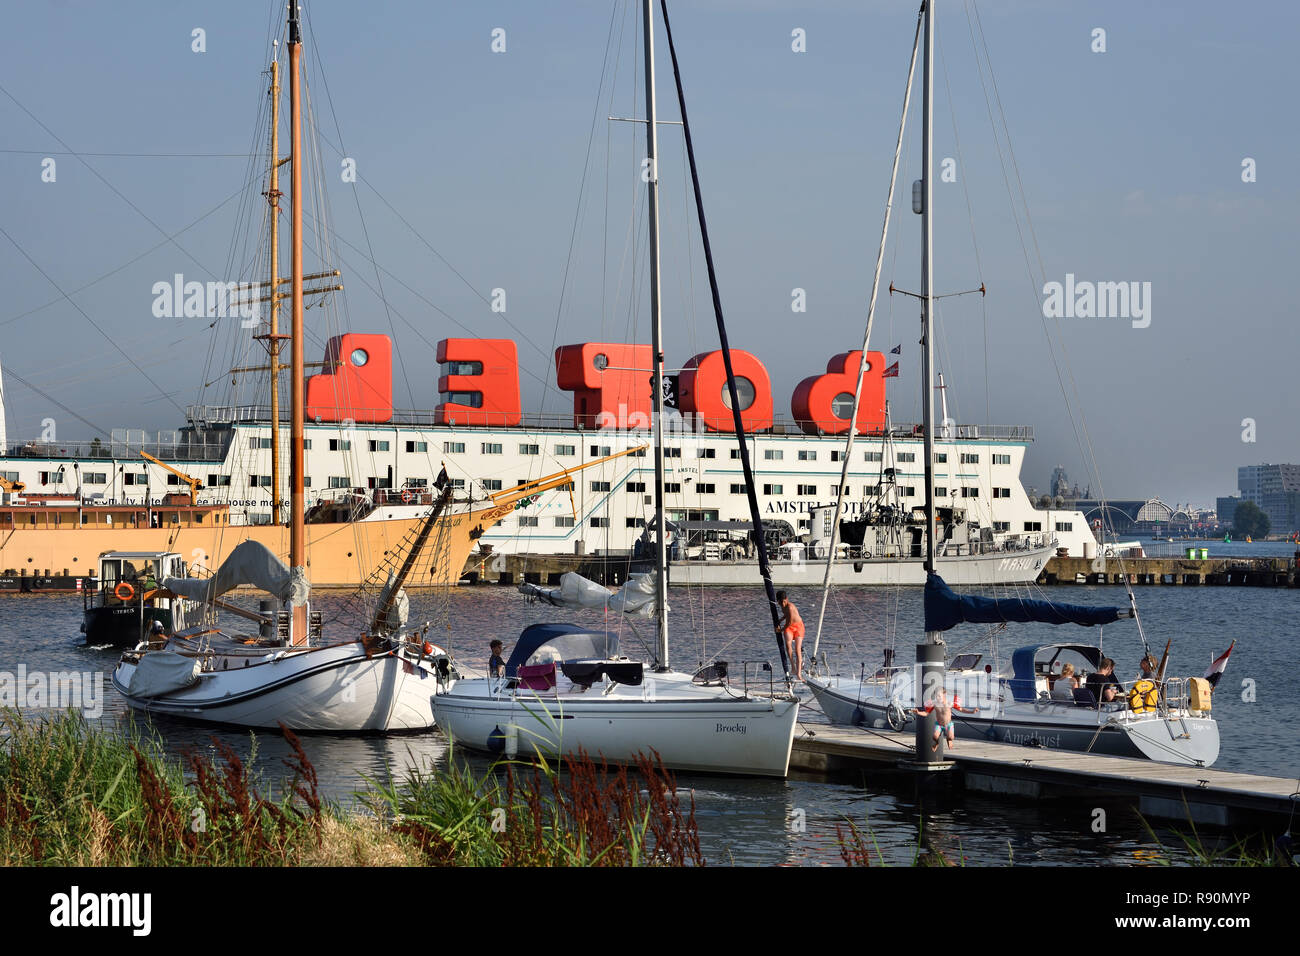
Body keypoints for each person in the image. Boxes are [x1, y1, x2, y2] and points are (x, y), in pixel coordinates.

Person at [914, 687, 978, 752]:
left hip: (948, 724)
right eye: (936, 696)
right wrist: (918, 712)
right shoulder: (934, 704)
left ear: (944, 695)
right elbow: (926, 713)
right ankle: (936, 742)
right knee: (935, 736)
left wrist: (972, 711)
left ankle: (949, 740)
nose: (937, 698)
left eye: (939, 696)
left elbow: (961, 709)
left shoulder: (950, 703)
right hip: (939, 724)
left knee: (951, 737)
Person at [776, 590, 805, 680]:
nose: (782, 604)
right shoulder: (782, 606)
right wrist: (780, 620)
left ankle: (799, 674)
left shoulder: (790, 607)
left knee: (797, 650)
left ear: (786, 599)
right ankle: (793, 667)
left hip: (798, 627)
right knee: (788, 645)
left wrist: (780, 630)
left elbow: (789, 622)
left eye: (784, 602)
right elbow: (786, 615)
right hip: (789, 627)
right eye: (780, 602)